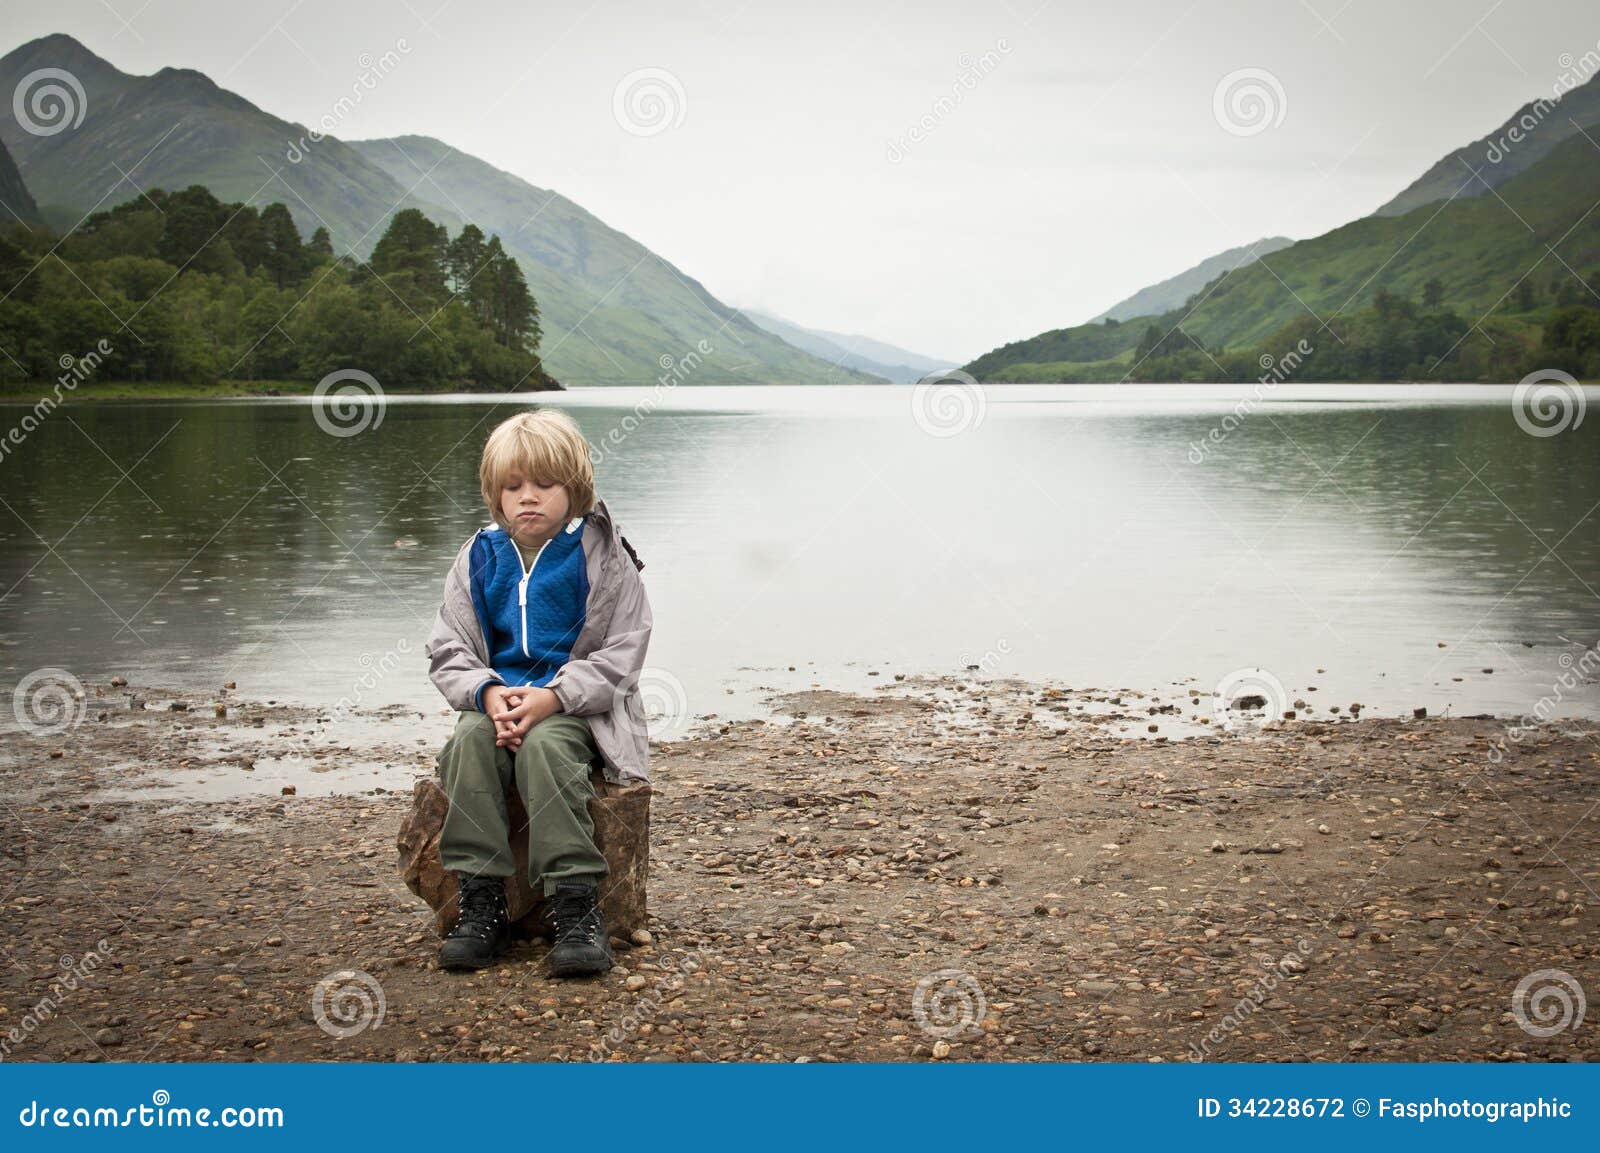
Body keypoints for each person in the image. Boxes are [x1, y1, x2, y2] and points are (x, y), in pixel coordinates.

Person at [424, 407, 651, 976]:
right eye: (513, 486)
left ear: (574, 489)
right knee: (470, 746)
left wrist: (554, 696)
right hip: (497, 701)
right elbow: (447, 646)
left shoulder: (603, 556)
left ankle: (574, 904)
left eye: (546, 485)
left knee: (548, 750)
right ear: (494, 495)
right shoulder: (479, 556)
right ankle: (482, 901)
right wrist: (485, 692)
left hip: (578, 707)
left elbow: (625, 650)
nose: (529, 497)